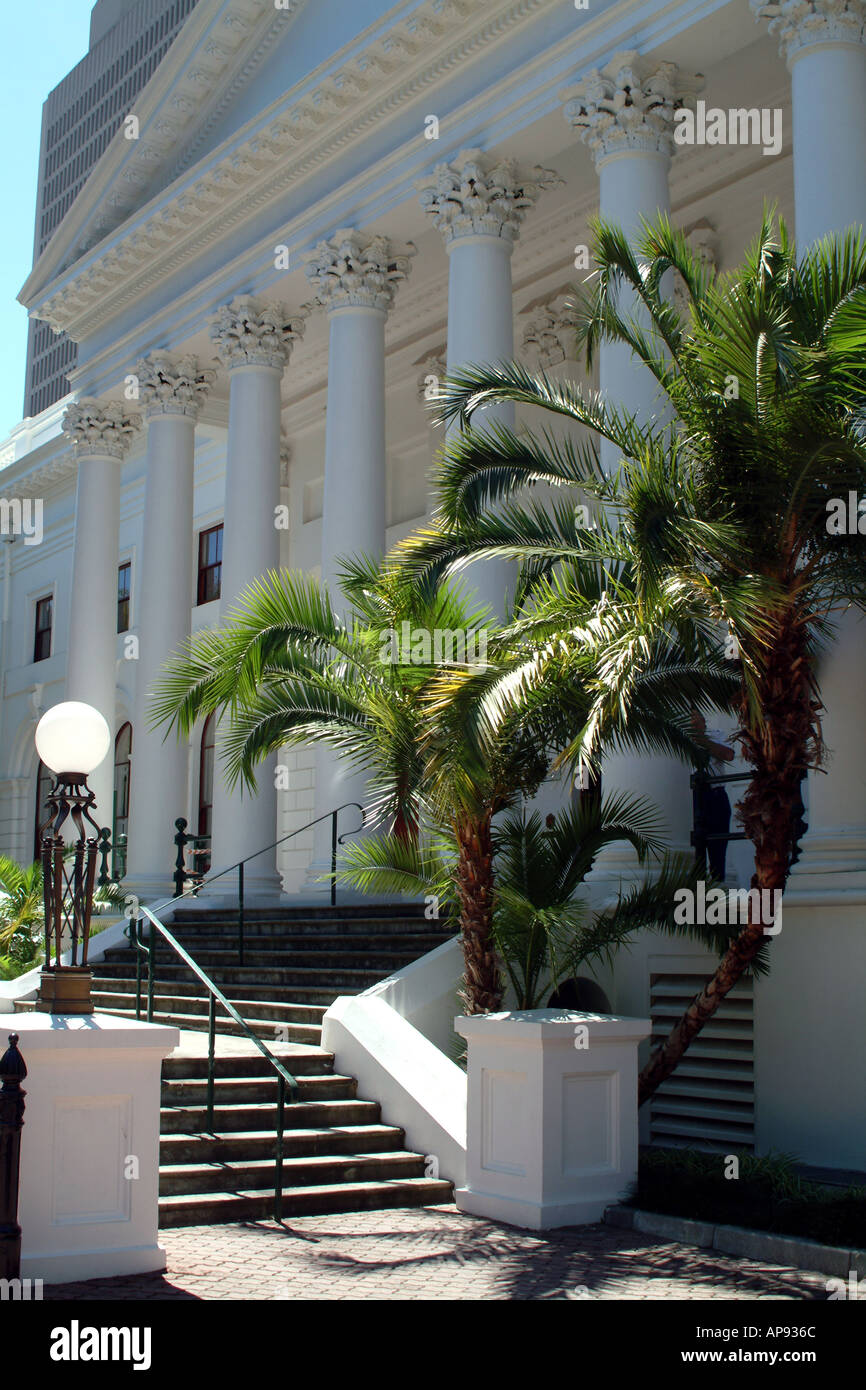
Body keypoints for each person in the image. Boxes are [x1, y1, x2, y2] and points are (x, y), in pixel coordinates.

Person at [690, 707, 736, 880]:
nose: (693, 722)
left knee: (718, 843)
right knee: (698, 844)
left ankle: (718, 885)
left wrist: (703, 741)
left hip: (716, 794)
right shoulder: (680, 739)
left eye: (696, 718)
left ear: (703, 719)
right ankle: (698, 888)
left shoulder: (716, 734)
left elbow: (729, 755)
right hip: (696, 796)